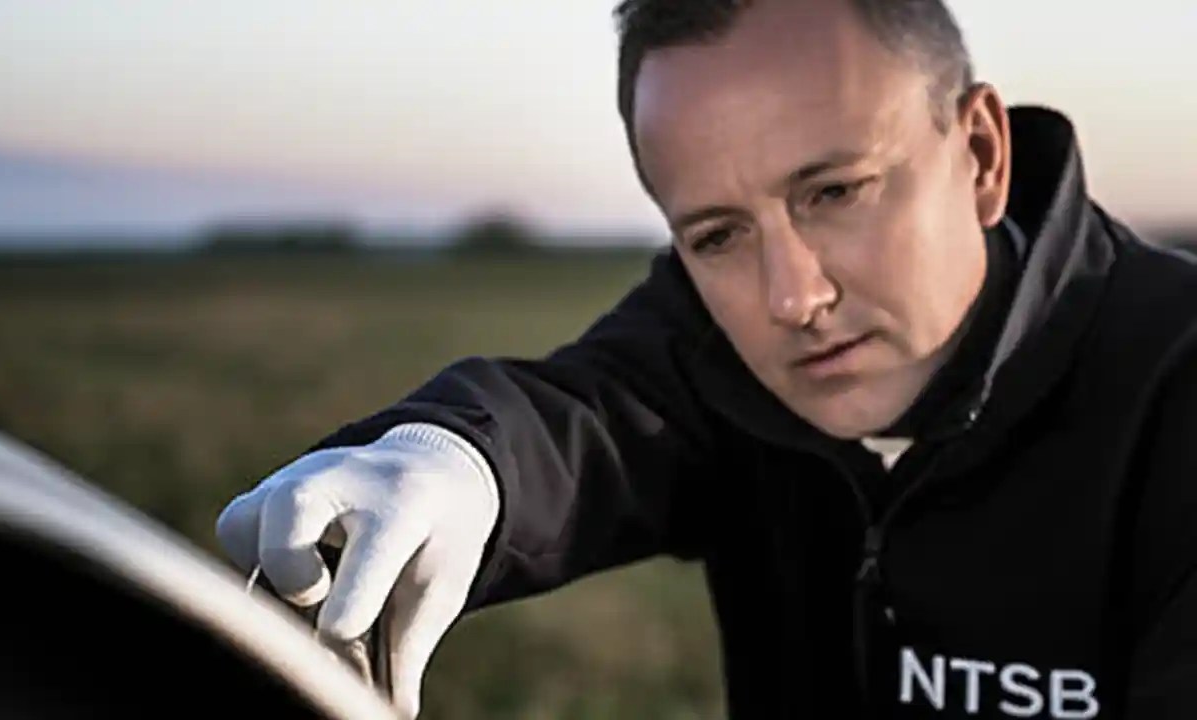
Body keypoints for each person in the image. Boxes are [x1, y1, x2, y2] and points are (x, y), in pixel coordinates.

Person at [215, 0, 1197, 717]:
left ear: (980, 154)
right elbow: (584, 414)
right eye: (718, 235)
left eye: (835, 192)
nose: (790, 299)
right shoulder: (710, 338)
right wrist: (455, 462)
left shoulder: (1173, 386)